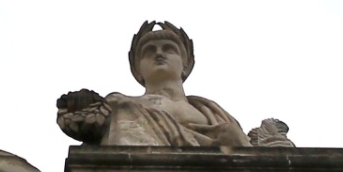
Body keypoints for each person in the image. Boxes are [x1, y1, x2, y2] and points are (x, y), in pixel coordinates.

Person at [56, 21, 251, 148]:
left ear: (186, 65)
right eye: (149, 51)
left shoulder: (213, 113)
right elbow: (86, 128)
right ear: (137, 69)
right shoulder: (118, 104)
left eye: (169, 49)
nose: (159, 54)